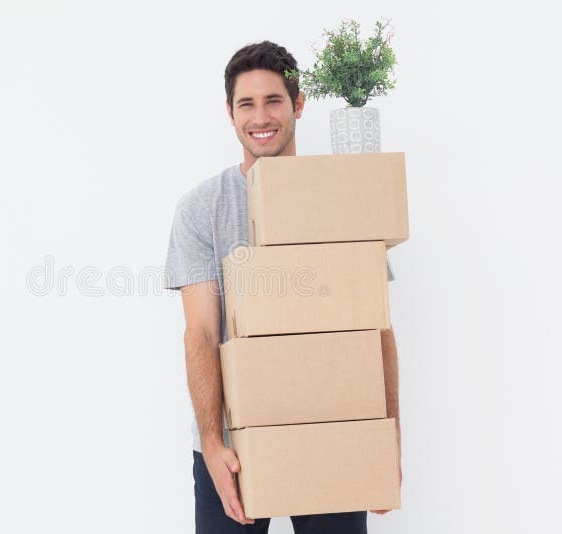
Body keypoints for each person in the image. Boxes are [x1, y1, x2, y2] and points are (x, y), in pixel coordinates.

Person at [162, 41, 402, 534]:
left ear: (298, 104)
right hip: (234, 447)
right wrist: (211, 443)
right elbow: (202, 334)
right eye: (246, 104)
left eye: (273, 100)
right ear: (229, 113)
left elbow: (373, 327)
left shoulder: (339, 198)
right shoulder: (201, 209)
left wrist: (385, 438)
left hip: (333, 430)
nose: (260, 116)